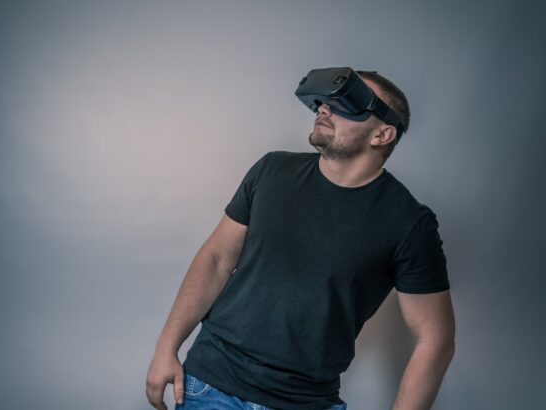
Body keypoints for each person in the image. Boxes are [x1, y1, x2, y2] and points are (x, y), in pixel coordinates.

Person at [146, 70, 456, 410]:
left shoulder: (409, 224)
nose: (324, 108)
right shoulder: (271, 170)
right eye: (324, 101)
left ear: (382, 134)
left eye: (348, 102)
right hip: (211, 386)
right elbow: (217, 258)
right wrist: (166, 346)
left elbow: (435, 338)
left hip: (306, 402)